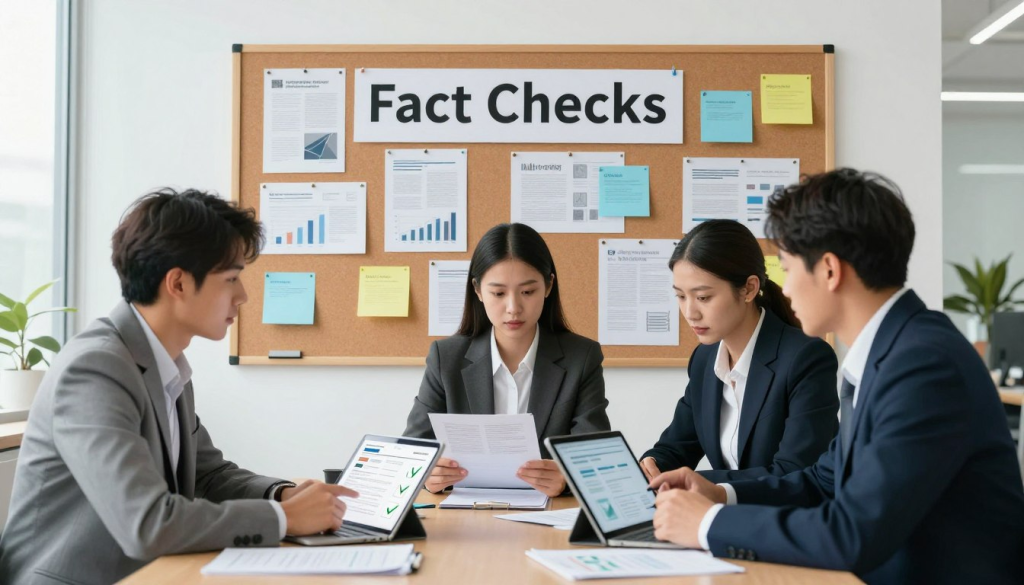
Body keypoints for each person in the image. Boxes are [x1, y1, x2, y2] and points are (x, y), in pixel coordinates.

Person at [648, 169, 1024, 584]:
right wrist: (720, 493)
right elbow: (822, 479)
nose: (785, 289)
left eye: (788, 268)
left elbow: (853, 533)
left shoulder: (923, 364)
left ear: (829, 270)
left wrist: (708, 524)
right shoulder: (891, 350)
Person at [0, 189, 358, 585]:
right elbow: (146, 523)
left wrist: (281, 496)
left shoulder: (163, 365)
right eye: (232, 278)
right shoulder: (96, 368)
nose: (243, 296)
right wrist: (284, 519)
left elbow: (208, 475)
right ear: (178, 283)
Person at [404, 223, 610, 497]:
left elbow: (596, 457)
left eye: (527, 291)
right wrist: (428, 476)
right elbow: (412, 452)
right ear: (477, 290)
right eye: (498, 293)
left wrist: (568, 479)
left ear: (548, 285)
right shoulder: (446, 358)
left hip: (549, 519)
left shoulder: (581, 358)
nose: (513, 307)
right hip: (466, 520)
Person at [640, 219, 839, 483]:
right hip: (721, 518)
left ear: (749, 289)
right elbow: (676, 447)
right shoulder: (704, 360)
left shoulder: (806, 358)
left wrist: (700, 484)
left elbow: (796, 472)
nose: (690, 313)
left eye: (703, 297)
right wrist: (653, 464)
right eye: (680, 296)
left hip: (785, 520)